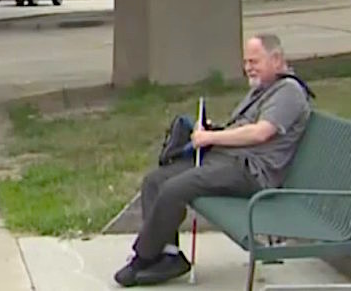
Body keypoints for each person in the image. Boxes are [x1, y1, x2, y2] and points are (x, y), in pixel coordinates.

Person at [114, 33, 313, 287]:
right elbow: (242, 127)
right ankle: (168, 255)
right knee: (155, 180)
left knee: (175, 188)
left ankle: (142, 258)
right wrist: (211, 130)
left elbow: (261, 132)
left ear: (276, 60)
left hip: (252, 172)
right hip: (228, 161)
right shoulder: (263, 89)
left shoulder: (288, 92)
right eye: (246, 62)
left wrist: (211, 137)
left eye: (254, 61)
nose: (248, 68)